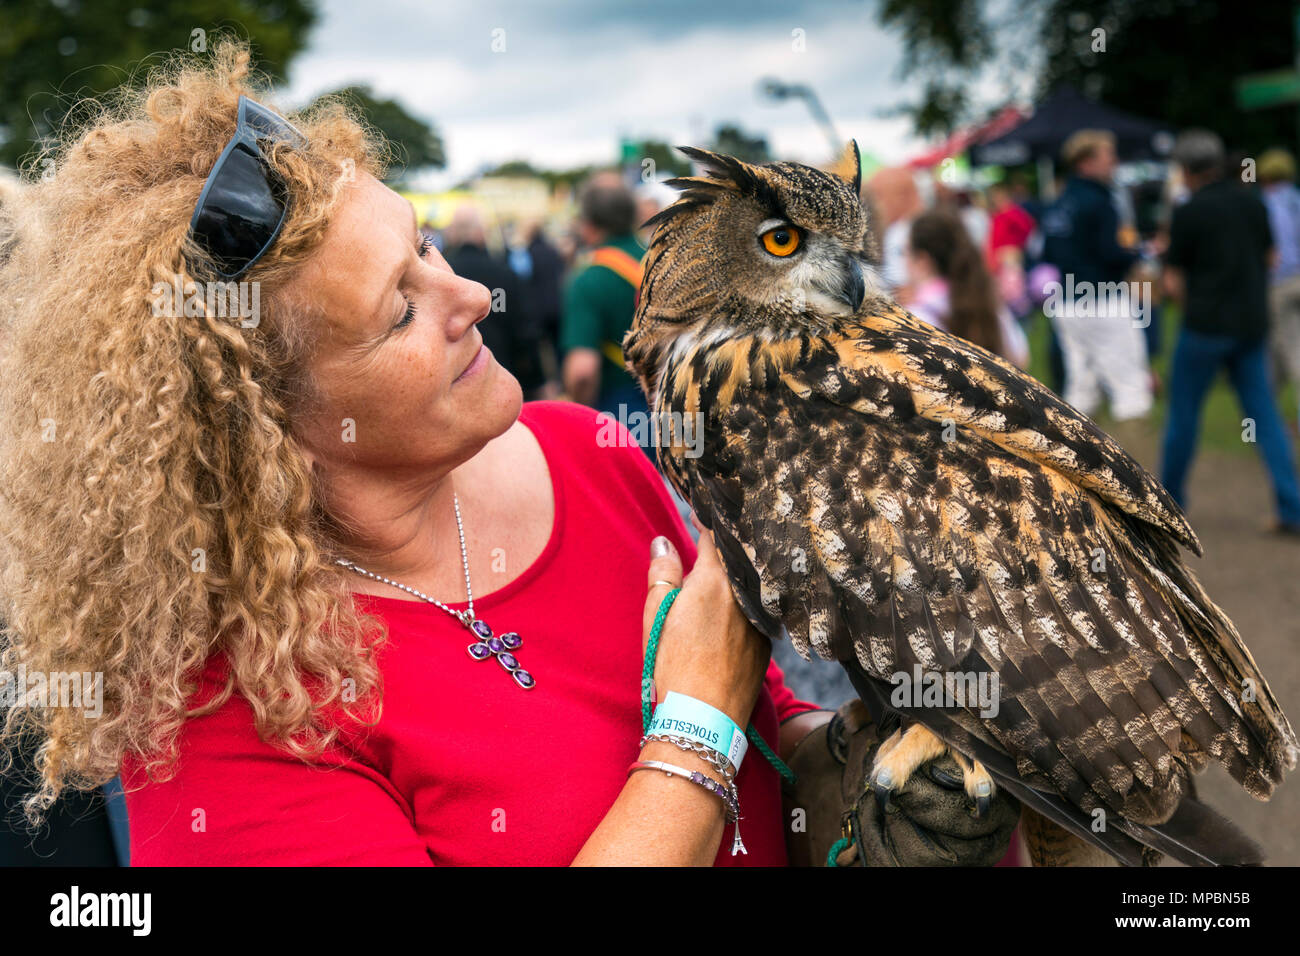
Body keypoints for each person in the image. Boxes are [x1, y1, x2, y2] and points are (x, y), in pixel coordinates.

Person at [0, 42, 1016, 866]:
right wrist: (692, 726)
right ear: (257, 426)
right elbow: (716, 695)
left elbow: (771, 728)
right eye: (399, 310)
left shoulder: (586, 450)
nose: (472, 298)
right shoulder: (228, 703)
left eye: (426, 249)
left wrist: (852, 770)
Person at [1161, 130, 1300, 535]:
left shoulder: (1188, 212)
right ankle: (1291, 507)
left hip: (1204, 327)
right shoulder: (1253, 203)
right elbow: (1272, 258)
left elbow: (1171, 282)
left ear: (1185, 171)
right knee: (1264, 417)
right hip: (1251, 326)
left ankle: (1168, 506)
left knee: (1184, 415)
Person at [1040, 129, 1152, 422]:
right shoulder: (1100, 202)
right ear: (1086, 162)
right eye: (1108, 156)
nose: (1114, 162)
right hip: (1101, 299)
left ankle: (1074, 456)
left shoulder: (1058, 202)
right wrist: (1138, 253)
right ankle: (1137, 459)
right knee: (1130, 386)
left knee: (1081, 388)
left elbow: (1047, 253)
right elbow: (1110, 253)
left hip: (1066, 302)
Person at [559, 172, 647, 420]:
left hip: (622, 411)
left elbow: (583, 371)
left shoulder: (589, 278)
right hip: (683, 411)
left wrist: (579, 415)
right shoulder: (667, 260)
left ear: (589, 224)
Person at [902, 208, 1030, 368]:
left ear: (922, 259)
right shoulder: (984, 298)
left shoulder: (916, 318)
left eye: (905, 253)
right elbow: (1020, 356)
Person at [441, 204, 543, 396]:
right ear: (480, 233)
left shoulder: (443, 274)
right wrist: (536, 381)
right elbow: (524, 330)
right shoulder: (504, 274)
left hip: (453, 381)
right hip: (503, 374)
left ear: (453, 234)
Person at [1259, 148, 1300, 426]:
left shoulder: (1263, 204)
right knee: (1275, 351)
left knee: (1291, 351)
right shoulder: (1296, 199)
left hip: (1277, 283)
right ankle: (1264, 417)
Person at [866, 166, 923, 295]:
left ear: (902, 196)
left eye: (878, 195)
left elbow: (901, 290)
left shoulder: (902, 234)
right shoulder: (909, 229)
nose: (875, 204)